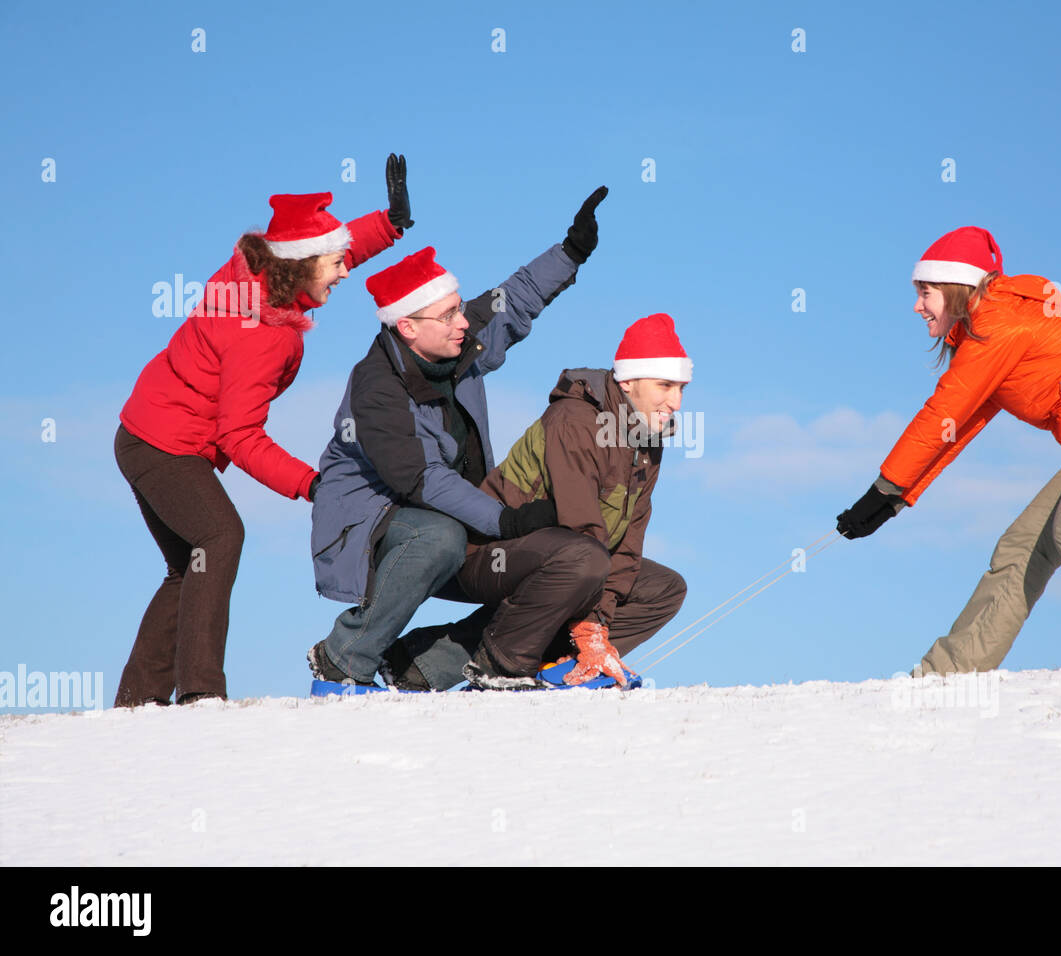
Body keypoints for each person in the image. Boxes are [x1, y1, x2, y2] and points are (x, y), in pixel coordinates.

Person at [836, 226, 1061, 674]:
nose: (917, 305)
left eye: (926, 292)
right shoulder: (986, 335)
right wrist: (896, 497)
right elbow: (956, 427)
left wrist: (881, 489)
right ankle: (949, 674)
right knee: (1021, 547)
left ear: (957, 288)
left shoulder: (999, 325)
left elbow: (941, 413)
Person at [114, 155, 413, 706]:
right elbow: (240, 437)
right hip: (164, 445)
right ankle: (201, 691)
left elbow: (307, 246)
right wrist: (311, 483)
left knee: (189, 567)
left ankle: (137, 702)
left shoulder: (254, 272)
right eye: (337, 263)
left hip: (145, 430)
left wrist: (386, 225)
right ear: (301, 269)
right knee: (220, 537)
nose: (347, 271)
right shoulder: (263, 335)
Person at [307, 188, 609, 688]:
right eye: (448, 314)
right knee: (440, 536)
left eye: (458, 309)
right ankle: (344, 660)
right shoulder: (377, 388)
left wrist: (571, 251)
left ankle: (427, 667)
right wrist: (505, 519)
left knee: (565, 555)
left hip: (458, 515)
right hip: (375, 526)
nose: (463, 322)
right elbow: (419, 479)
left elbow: (512, 299)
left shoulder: (456, 342)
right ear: (407, 326)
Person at [431, 312, 692, 691]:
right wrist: (590, 624)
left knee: (664, 588)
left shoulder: (648, 439)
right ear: (630, 381)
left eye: (682, 387)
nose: (676, 401)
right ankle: (501, 666)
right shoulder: (575, 419)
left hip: (570, 560)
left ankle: (562, 664)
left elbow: (630, 538)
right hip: (489, 553)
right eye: (665, 385)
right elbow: (580, 523)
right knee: (585, 558)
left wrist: (596, 628)